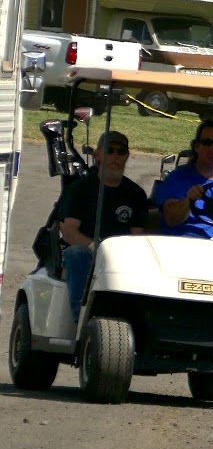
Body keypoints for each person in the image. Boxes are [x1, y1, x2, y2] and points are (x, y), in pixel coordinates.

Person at [59, 131, 148, 322]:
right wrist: (96, 247)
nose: (115, 157)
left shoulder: (135, 193)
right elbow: (69, 232)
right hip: (88, 250)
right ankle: (80, 321)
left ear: (127, 156)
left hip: (121, 256)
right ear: (98, 155)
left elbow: (137, 237)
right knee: (76, 254)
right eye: (110, 151)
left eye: (121, 152)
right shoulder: (80, 189)